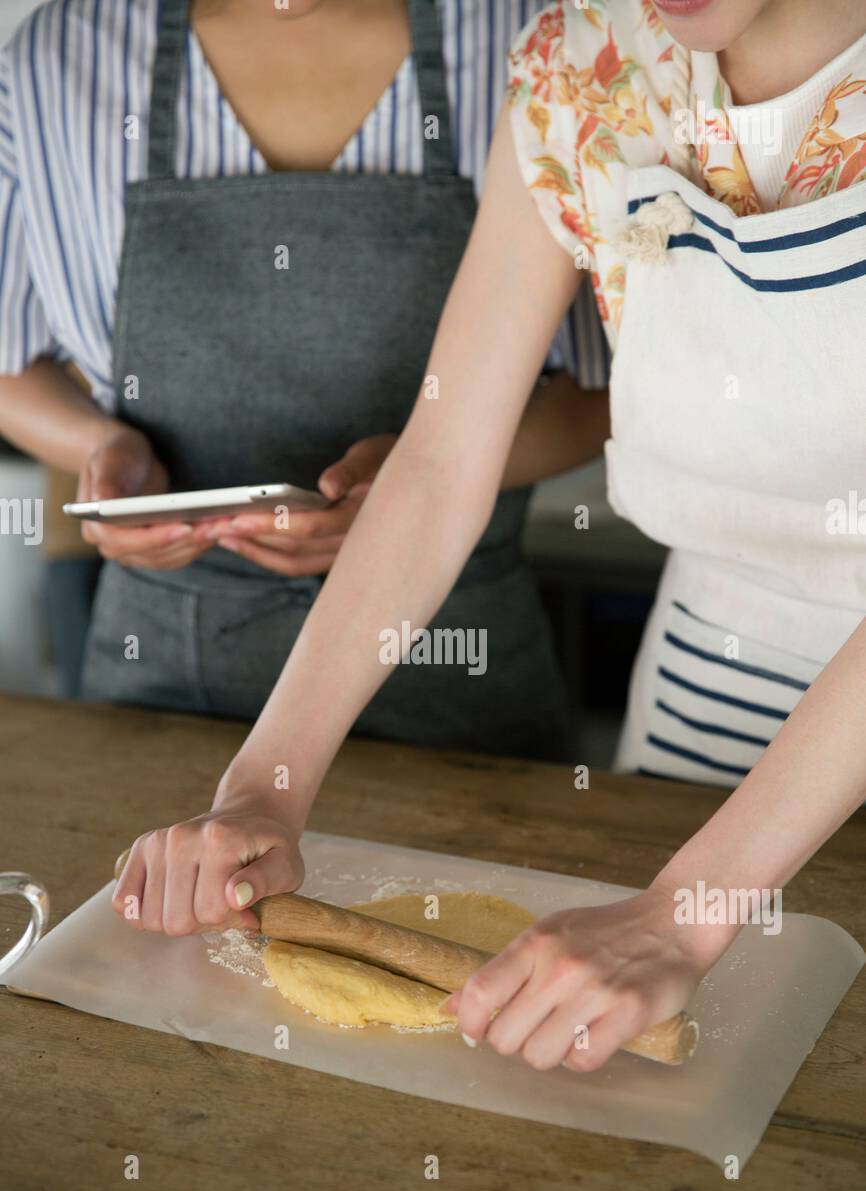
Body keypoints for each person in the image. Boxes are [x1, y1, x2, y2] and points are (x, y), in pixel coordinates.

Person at [106, 0, 866, 1071]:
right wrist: (262, 790)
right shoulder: (582, 66)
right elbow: (439, 461)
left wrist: (686, 913)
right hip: (705, 698)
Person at [0, 0, 610, 756]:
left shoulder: (539, 39)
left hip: (463, 690)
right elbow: (9, 359)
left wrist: (423, 482)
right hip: (163, 695)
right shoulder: (56, 59)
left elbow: (603, 389)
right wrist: (100, 445)